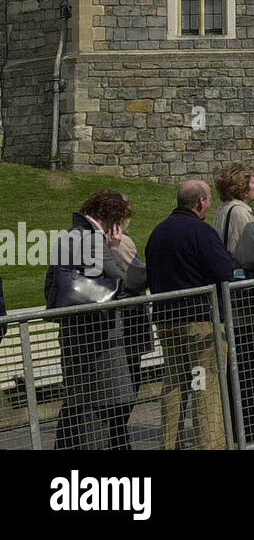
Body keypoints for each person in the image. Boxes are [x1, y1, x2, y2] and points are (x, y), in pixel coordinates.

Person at [145, 180, 235, 449]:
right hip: (200, 323)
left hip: (167, 321)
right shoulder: (201, 232)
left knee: (174, 384)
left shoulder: (158, 232)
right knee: (204, 385)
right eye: (208, 201)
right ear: (200, 203)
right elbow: (224, 273)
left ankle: (169, 443)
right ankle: (209, 445)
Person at [46, 190, 138, 450]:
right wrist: (115, 249)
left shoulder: (69, 236)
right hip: (99, 345)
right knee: (98, 419)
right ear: (110, 219)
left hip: (75, 339)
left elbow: (52, 288)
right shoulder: (94, 241)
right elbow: (122, 282)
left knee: (79, 412)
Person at [211, 162, 254, 441]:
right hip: (246, 300)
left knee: (241, 365)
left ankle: (242, 426)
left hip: (231, 297)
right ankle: (252, 428)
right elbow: (252, 254)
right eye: (253, 181)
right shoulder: (241, 213)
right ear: (242, 186)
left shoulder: (224, 210)